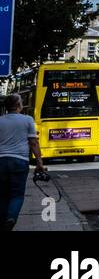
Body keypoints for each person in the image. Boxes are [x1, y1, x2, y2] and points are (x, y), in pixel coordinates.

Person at [1, 92, 47, 231]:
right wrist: (39, 162)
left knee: (2, 194)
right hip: (19, 161)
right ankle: (11, 218)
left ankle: (3, 221)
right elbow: (33, 142)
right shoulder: (27, 120)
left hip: (1, 161)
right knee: (17, 194)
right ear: (19, 105)